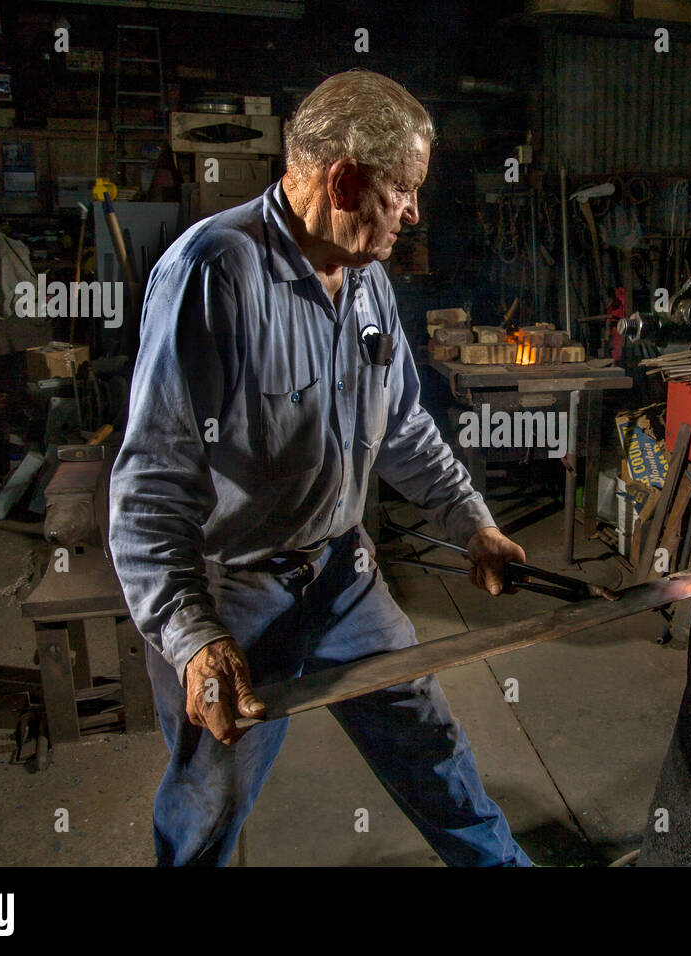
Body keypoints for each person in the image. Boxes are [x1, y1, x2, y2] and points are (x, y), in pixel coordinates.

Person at [108, 69, 532, 867]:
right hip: (233, 596)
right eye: (404, 190)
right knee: (208, 808)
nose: (414, 212)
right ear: (343, 179)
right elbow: (153, 483)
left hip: (344, 576)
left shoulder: (367, 281)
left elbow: (402, 422)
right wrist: (191, 634)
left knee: (430, 746)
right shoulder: (214, 275)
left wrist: (472, 525)